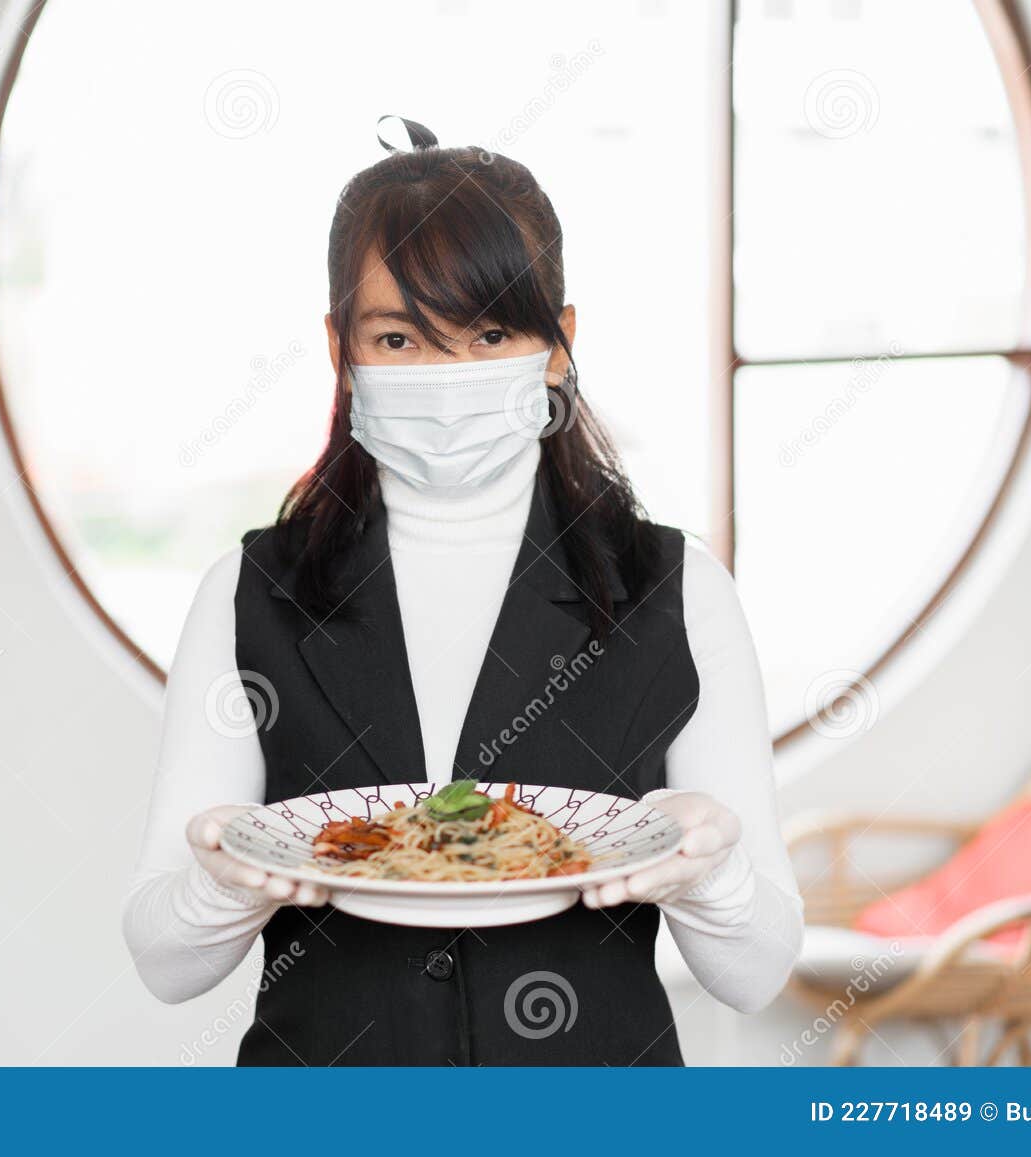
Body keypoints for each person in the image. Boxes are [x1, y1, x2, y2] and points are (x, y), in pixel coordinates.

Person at [124, 117, 803, 1065]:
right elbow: (164, 963)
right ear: (340, 350)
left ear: (559, 343)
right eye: (399, 337)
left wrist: (708, 872)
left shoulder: (676, 589)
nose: (448, 379)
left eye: (489, 332)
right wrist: (228, 881)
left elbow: (758, 973)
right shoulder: (252, 591)